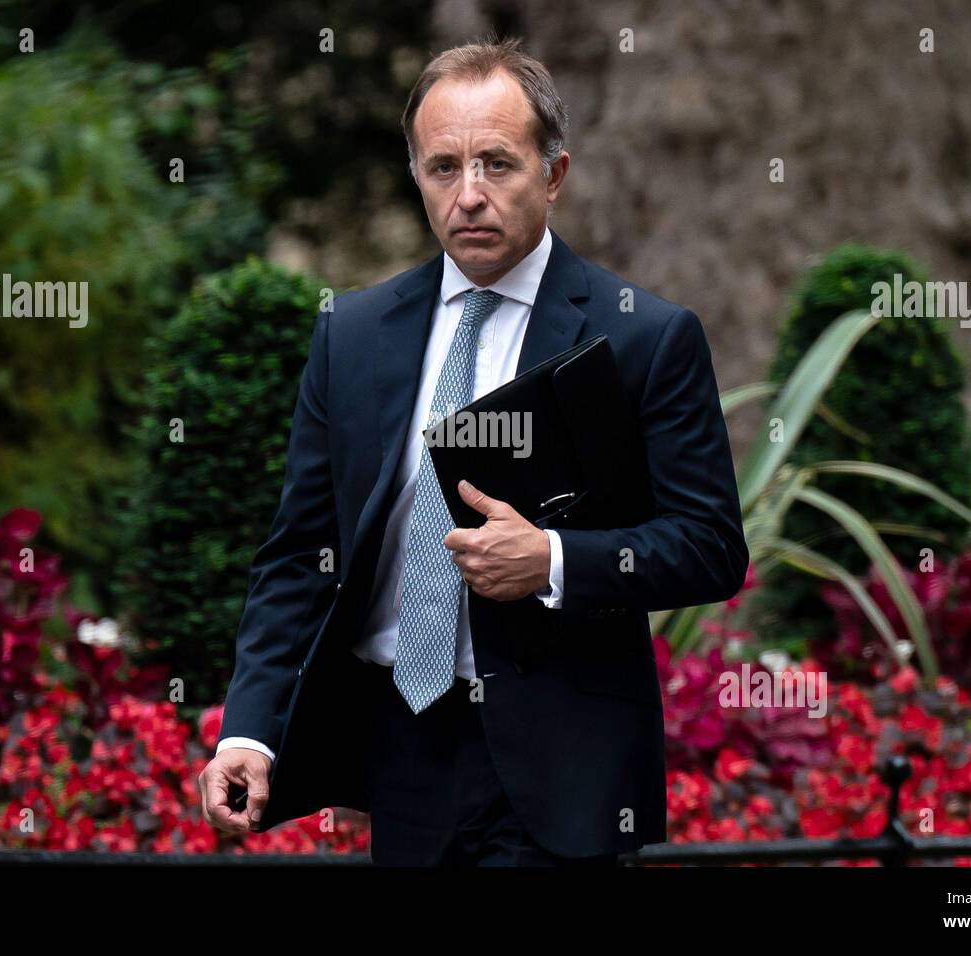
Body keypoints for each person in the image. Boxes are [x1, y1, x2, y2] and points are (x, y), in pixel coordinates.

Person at [197, 36, 748, 866]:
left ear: (554, 174)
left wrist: (554, 559)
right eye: (444, 168)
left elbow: (710, 548)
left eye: (497, 164)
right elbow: (298, 557)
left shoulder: (644, 336)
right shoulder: (351, 335)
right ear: (416, 175)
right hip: (398, 750)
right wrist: (252, 731)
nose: (471, 196)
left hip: (563, 762)